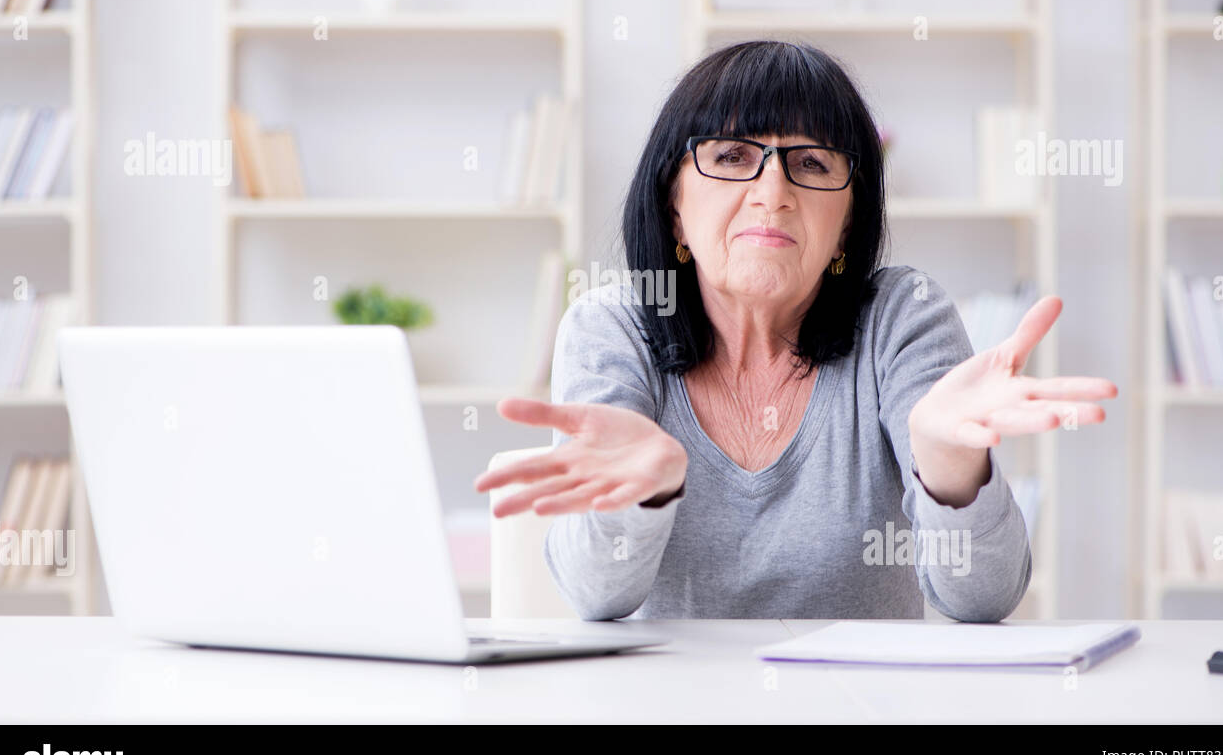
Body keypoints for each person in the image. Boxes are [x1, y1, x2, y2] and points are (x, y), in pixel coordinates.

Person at [473, 40, 1117, 621]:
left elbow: (985, 600)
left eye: (810, 164)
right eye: (731, 156)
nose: (773, 191)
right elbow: (595, 594)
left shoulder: (903, 316)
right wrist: (642, 493)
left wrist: (948, 460)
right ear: (673, 207)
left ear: (847, 221)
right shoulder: (611, 326)